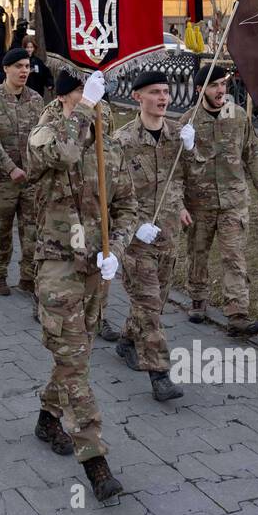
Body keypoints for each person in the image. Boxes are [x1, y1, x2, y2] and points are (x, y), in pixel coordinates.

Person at [26, 69, 134, 502]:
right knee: (74, 360)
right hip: (56, 265)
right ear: (63, 100)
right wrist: (85, 108)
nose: (94, 107)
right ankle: (95, 458)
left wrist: (118, 250)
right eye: (81, 98)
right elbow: (65, 153)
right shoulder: (43, 135)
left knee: (77, 353)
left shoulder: (108, 142)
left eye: (96, 99)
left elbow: (127, 204)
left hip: (96, 268)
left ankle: (47, 417)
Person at [112, 69, 193, 398]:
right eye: (155, 92)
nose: (162, 98)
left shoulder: (177, 136)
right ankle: (159, 375)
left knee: (154, 305)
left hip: (168, 236)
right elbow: (110, 194)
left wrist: (193, 149)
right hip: (136, 241)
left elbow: (190, 179)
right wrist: (131, 226)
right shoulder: (123, 141)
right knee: (148, 306)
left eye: (166, 92)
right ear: (137, 97)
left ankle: (126, 340)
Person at [182, 64, 258, 337]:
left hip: (234, 201)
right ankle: (198, 298)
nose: (221, 89)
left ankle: (237, 314)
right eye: (214, 85)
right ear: (201, 89)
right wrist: (179, 206)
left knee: (233, 256)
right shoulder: (188, 123)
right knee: (197, 253)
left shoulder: (237, 117)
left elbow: (253, 155)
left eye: (223, 84)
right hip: (199, 202)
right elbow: (178, 169)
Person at [0, 47, 45, 296]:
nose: (24, 71)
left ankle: (28, 277)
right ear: (6, 69)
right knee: (0, 228)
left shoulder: (36, 99)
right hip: (0, 179)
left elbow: (41, 137)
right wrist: (11, 168)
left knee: (31, 230)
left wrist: (35, 168)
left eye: (27, 67)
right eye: (18, 66)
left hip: (30, 179)